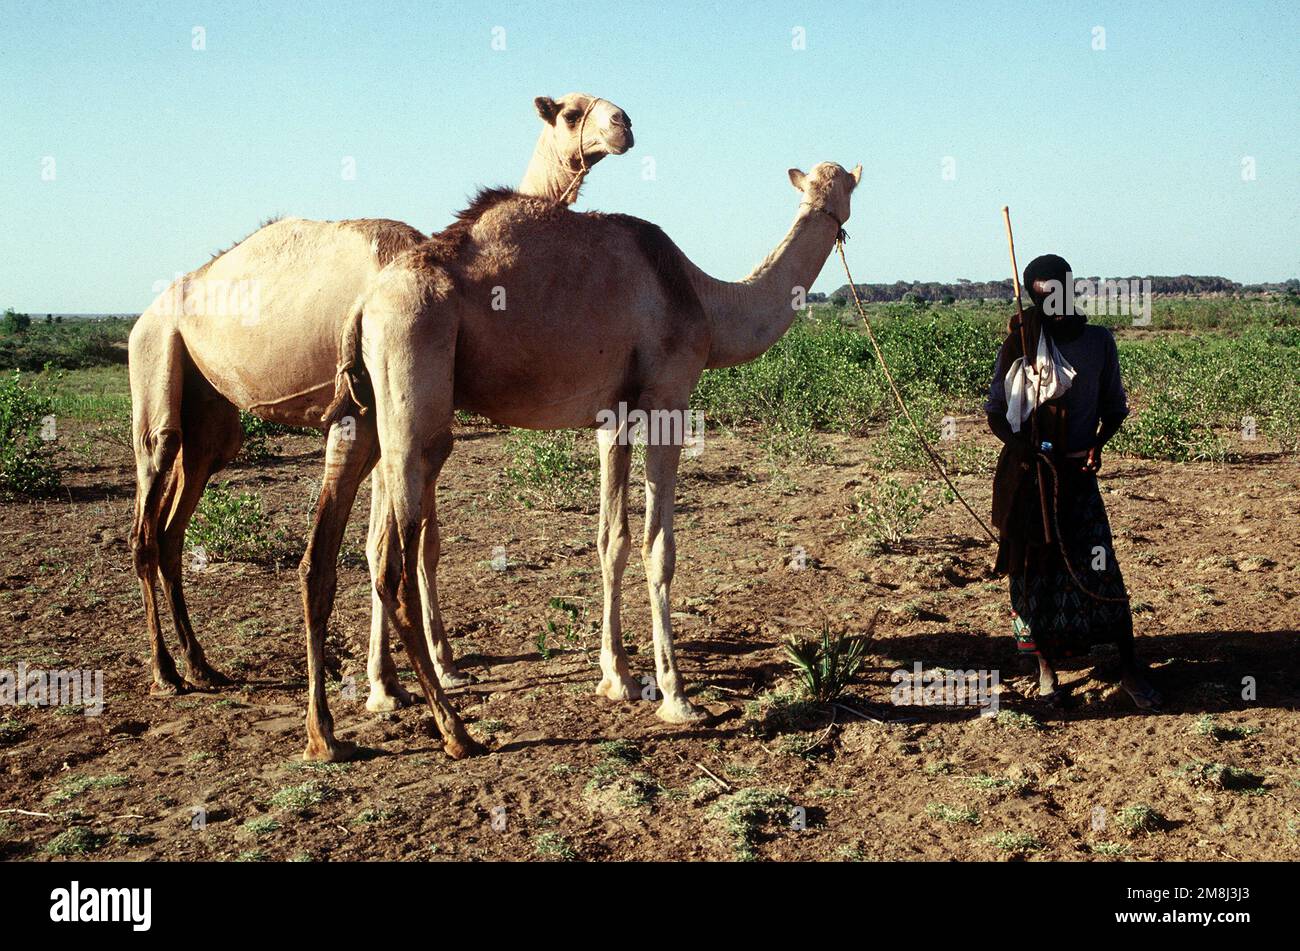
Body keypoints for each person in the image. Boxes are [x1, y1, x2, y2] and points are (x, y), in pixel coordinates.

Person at [985, 253, 1161, 710]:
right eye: (1040, 295)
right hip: (1031, 479)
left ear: (1071, 289)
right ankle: (1046, 672)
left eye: (1057, 292)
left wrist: (1098, 444)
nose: (1050, 303)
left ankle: (1128, 668)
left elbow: (1115, 409)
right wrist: (1022, 447)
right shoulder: (1020, 341)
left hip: (1078, 477)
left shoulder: (1098, 342)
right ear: (1030, 296)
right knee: (1032, 572)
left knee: (1100, 569)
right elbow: (996, 414)